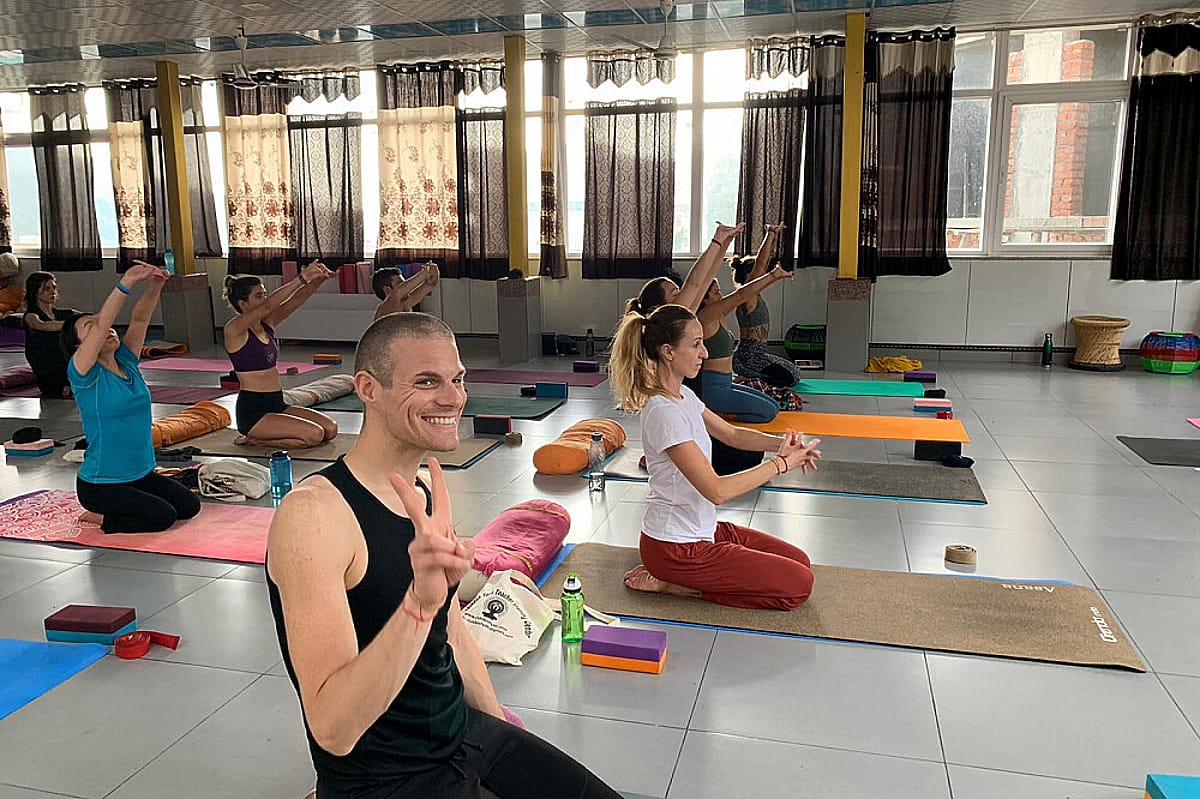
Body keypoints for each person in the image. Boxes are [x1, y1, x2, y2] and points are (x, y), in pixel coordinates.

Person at [266, 312, 622, 799]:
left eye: (457, 379)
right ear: (368, 388)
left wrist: (504, 740)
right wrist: (419, 604)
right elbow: (333, 729)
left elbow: (451, 629)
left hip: (464, 737)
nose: (454, 397)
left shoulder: (421, 491)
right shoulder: (314, 517)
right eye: (427, 381)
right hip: (386, 780)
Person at [609, 304, 820, 610]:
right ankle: (678, 585)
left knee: (800, 562)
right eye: (696, 344)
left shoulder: (685, 397)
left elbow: (732, 435)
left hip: (704, 530)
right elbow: (716, 491)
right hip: (675, 548)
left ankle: (681, 579)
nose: (705, 353)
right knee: (798, 586)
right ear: (668, 351)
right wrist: (782, 464)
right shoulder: (663, 413)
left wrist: (784, 444)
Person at [63, 261, 201, 533]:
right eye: (90, 328)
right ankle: (103, 517)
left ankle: (127, 503)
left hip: (139, 473)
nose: (106, 329)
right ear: (80, 346)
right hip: (101, 483)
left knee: (189, 506)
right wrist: (126, 281)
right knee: (163, 517)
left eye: (100, 324)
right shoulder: (83, 374)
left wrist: (156, 285)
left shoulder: (126, 361)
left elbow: (139, 320)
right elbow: (105, 324)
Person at [223, 263, 339, 449]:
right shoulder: (234, 330)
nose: (265, 299)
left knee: (330, 429)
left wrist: (318, 280)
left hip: (277, 403)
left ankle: (262, 437)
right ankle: (255, 439)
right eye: (258, 296)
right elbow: (270, 304)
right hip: (253, 412)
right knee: (314, 435)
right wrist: (301, 279)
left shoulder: (267, 323)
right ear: (243, 304)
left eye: (264, 293)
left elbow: (294, 301)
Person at [695, 262, 793, 423]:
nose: (720, 296)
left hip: (727, 382)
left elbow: (747, 292)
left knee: (774, 406)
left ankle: (715, 412)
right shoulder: (706, 316)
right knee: (768, 413)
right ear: (704, 299)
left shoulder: (718, 315)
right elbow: (741, 294)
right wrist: (773, 275)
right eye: (716, 293)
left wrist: (775, 278)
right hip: (713, 388)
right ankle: (716, 416)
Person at [731, 224, 805, 388]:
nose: (764, 275)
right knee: (789, 379)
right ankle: (747, 379)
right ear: (749, 277)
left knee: (795, 373)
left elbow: (763, 263)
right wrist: (771, 233)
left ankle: (747, 377)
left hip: (757, 354)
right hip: (747, 357)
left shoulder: (754, 295)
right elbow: (761, 263)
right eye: (758, 274)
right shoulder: (747, 296)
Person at [625, 222, 744, 316]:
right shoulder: (668, 324)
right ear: (657, 309)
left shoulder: (682, 317)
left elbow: (705, 280)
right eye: (676, 295)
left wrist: (726, 241)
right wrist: (717, 241)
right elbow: (693, 284)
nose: (685, 295)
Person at [22, 271, 79, 399]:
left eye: (54, 287)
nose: (53, 292)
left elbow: (86, 317)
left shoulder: (62, 314)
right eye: (47, 289)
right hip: (48, 370)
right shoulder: (31, 315)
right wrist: (71, 324)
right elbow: (41, 325)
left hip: (65, 365)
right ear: (35, 292)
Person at [373, 262, 439, 321]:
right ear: (387, 290)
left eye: (405, 283)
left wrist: (434, 273)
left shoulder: (405, 303)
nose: (407, 287)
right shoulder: (383, 309)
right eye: (400, 284)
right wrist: (425, 272)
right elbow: (398, 292)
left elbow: (429, 285)